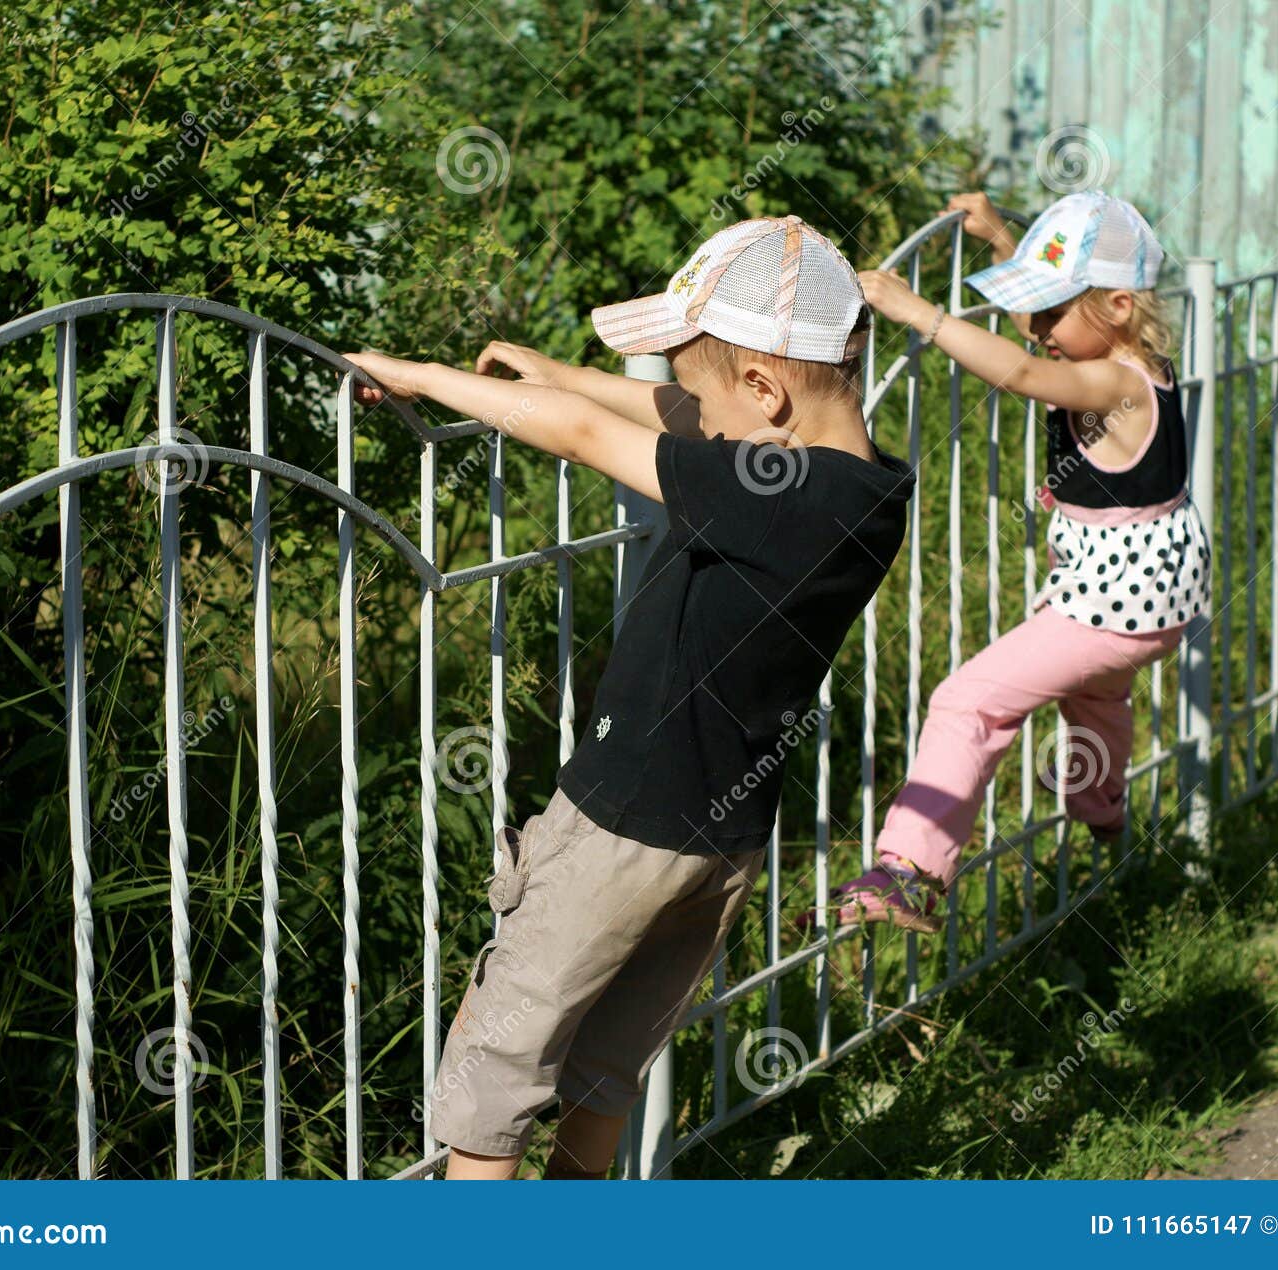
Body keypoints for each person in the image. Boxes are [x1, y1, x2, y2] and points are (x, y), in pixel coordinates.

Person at [346, 214, 916, 1179]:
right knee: (606, 1068)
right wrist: (558, 373)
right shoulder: (865, 485)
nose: (691, 413)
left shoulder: (766, 491)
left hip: (624, 822)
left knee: (499, 1065)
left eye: (701, 388)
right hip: (723, 841)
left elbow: (582, 438)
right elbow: (682, 418)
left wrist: (431, 380)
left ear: (766, 390)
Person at [825, 189, 1212, 933]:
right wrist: (1004, 240)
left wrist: (922, 315)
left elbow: (1028, 376)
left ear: (1121, 307)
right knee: (1097, 696)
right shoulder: (1143, 362)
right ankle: (1102, 814)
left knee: (967, 702)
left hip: (1108, 607)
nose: (1036, 332)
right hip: (1155, 605)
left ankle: (907, 871)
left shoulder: (1111, 383)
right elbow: (1051, 339)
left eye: (1051, 314)